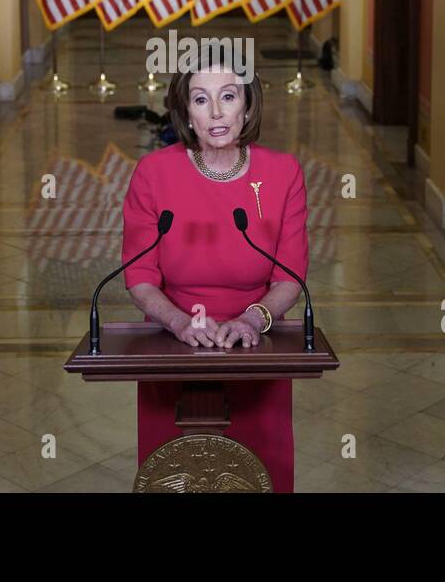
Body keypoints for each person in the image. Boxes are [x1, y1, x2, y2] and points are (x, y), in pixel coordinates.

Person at [120, 65, 309, 492]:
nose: (217, 113)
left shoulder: (283, 173)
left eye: (228, 96)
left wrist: (251, 321)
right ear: (186, 113)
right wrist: (179, 322)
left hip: (257, 349)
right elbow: (140, 276)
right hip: (172, 349)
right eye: (201, 99)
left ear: (248, 106)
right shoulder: (153, 173)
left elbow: (289, 277)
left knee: (258, 475)